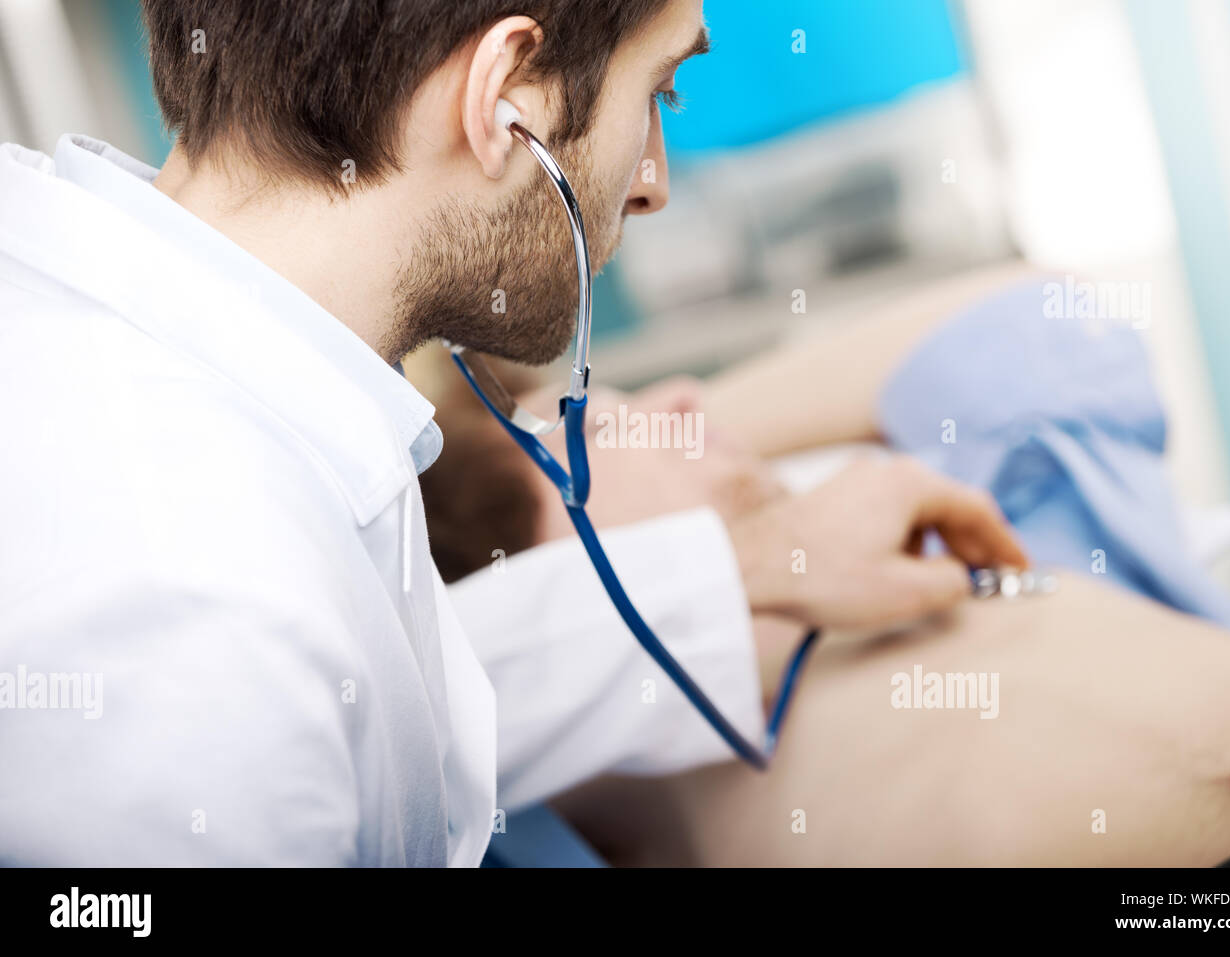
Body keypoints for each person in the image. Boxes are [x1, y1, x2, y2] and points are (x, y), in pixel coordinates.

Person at [0, 1, 1024, 865]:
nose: (651, 181)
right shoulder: (200, 613)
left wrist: (740, 568)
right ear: (503, 101)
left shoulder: (184, 366)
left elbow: (384, 707)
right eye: (657, 95)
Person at [420, 265, 1230, 864]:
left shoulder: (943, 541)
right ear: (523, 577)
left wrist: (709, 446)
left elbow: (1043, 326)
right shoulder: (481, 795)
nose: (681, 394)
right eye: (586, 427)